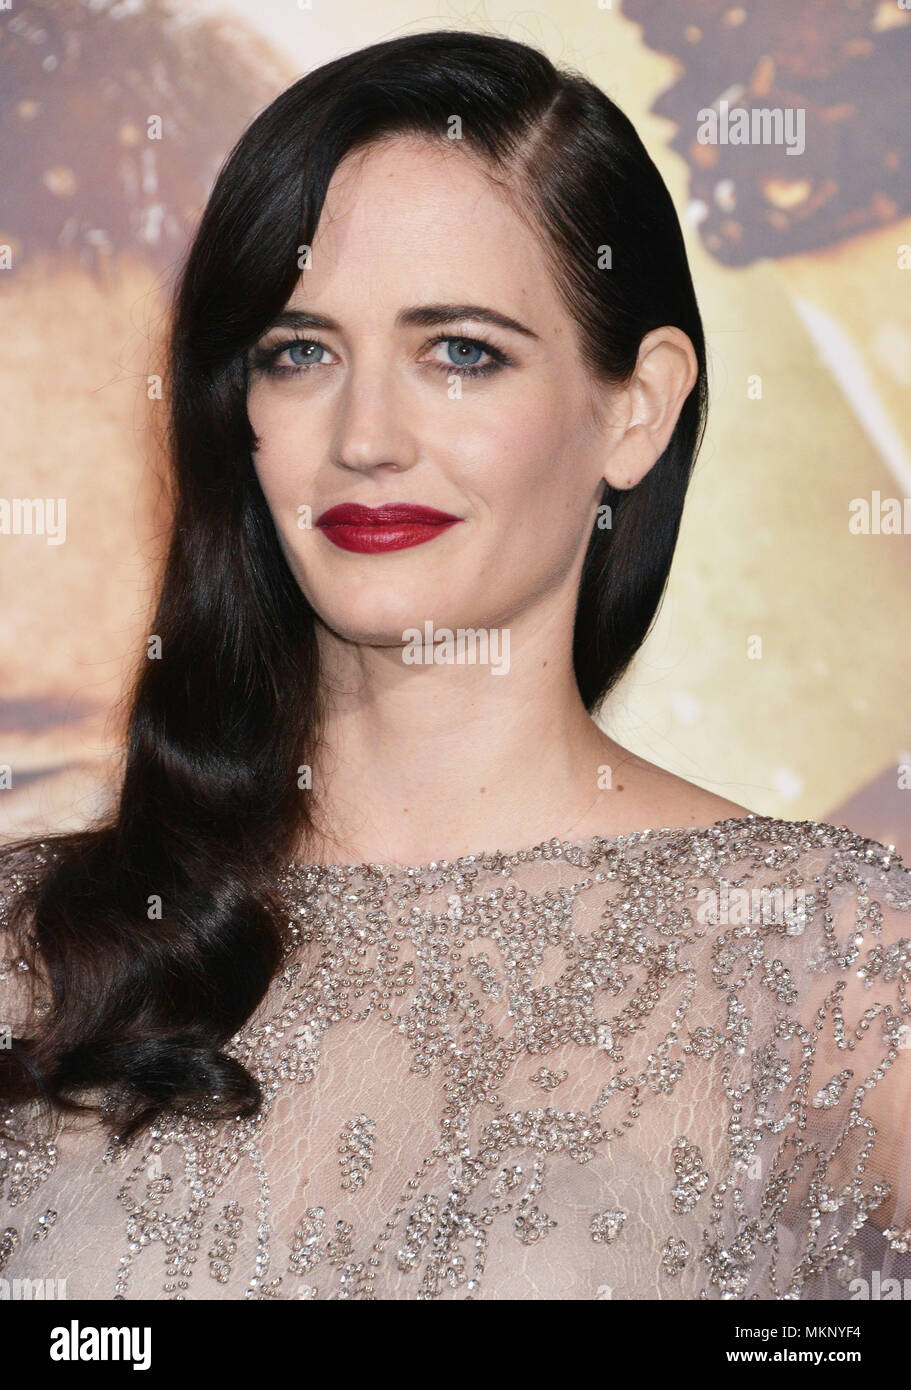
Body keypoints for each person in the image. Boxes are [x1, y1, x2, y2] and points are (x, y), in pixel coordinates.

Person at [1, 29, 909, 1301]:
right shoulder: (36, 949)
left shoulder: (826, 958)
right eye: (298, 351)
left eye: (461, 352)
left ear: (634, 407)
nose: (365, 436)